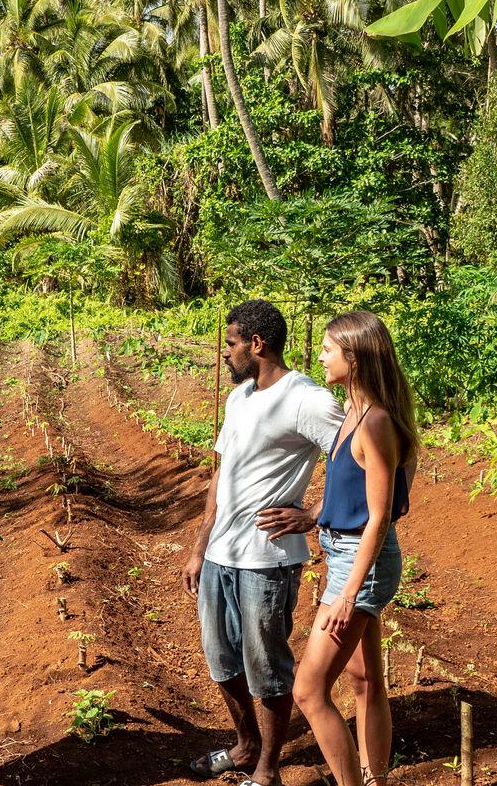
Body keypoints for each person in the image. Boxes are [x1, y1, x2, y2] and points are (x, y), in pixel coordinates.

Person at [183, 299, 345, 786]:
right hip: (219, 556)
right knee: (221, 659)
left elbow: (358, 459)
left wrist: (314, 514)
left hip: (266, 561)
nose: (224, 355)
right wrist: (199, 545)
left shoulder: (307, 400)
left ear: (257, 344)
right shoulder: (240, 398)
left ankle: (268, 768)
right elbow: (221, 473)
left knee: (267, 669)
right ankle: (246, 743)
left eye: (230, 344)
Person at [291, 310, 419, 786]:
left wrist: (348, 591)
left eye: (328, 349)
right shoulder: (355, 411)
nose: (321, 357)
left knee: (308, 690)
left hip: (358, 563)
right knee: (364, 682)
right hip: (344, 554)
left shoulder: (376, 422)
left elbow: (380, 515)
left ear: (354, 357)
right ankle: (375, 778)